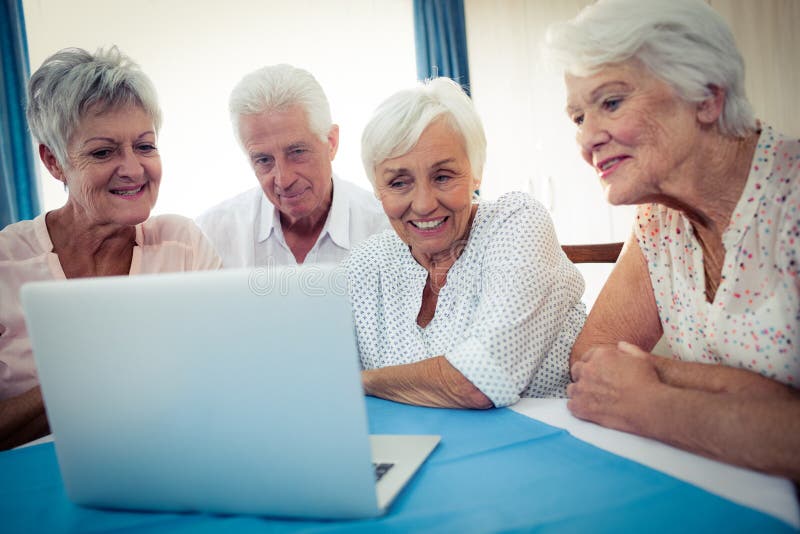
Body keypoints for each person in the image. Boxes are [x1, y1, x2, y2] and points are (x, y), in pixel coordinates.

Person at [547, 0, 799, 479]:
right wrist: (764, 401)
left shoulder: (792, 195)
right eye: (578, 117)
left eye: (611, 102)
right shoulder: (659, 221)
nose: (586, 141)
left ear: (706, 96)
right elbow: (591, 360)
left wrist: (652, 404)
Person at [0, 46, 222, 450]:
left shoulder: (184, 246)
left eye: (145, 145)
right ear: (53, 162)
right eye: (103, 152)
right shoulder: (6, 264)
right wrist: (87, 376)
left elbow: (228, 378)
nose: (134, 169)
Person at [345, 77, 586, 409]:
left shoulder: (517, 223)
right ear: (377, 189)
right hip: (418, 446)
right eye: (399, 182)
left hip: (538, 444)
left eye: (443, 176)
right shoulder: (367, 262)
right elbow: (318, 370)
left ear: (476, 173)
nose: (424, 203)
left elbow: (478, 382)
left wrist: (360, 382)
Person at [196, 64, 389, 267]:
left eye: (297, 152)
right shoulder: (210, 236)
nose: (284, 180)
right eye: (264, 160)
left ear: (331, 143)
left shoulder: (386, 231)